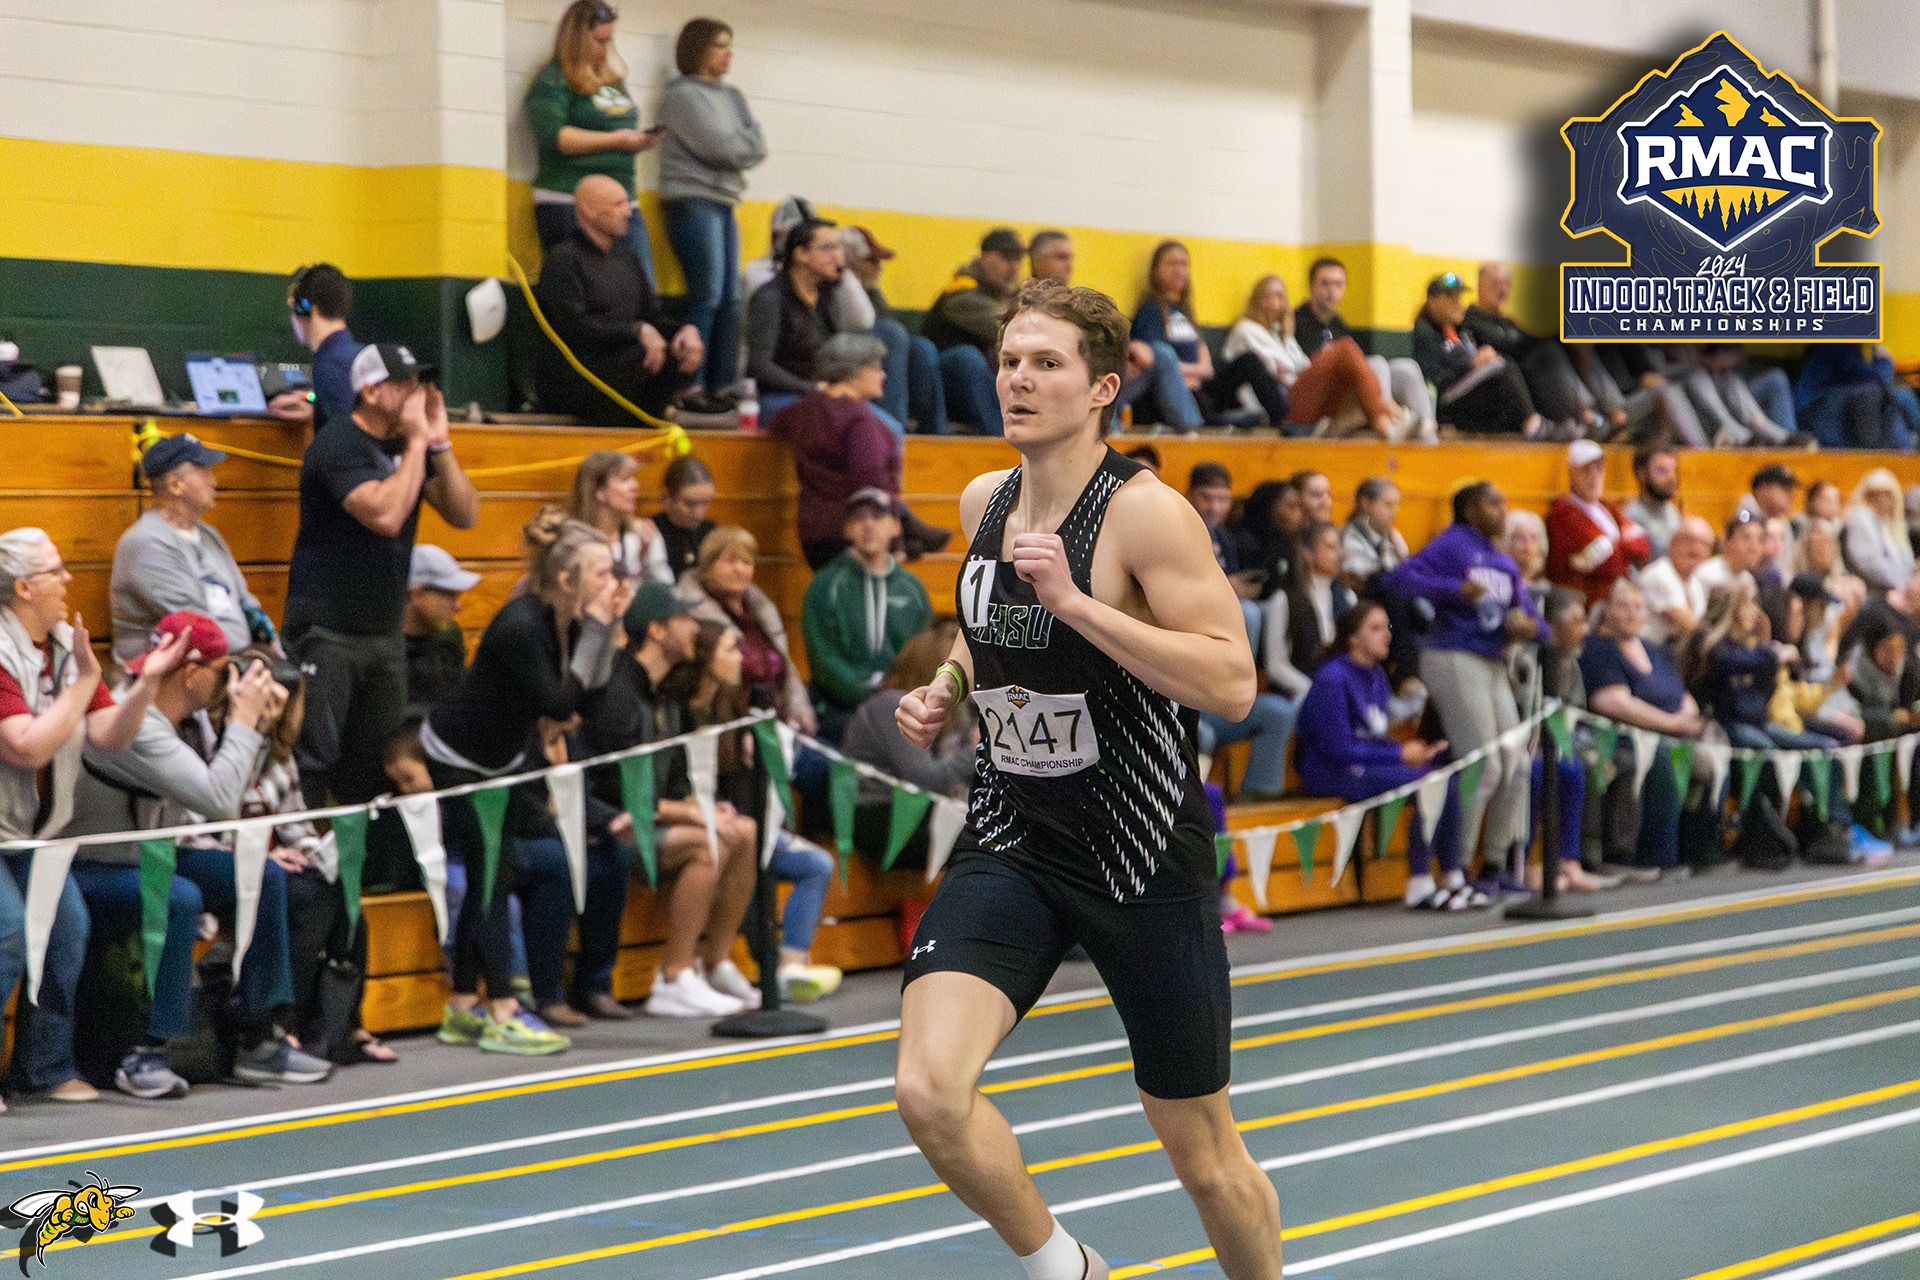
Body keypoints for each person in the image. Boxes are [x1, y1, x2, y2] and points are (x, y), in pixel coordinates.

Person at [892, 280, 1281, 1278]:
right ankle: (1064, 1265)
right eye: (1010, 359)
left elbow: (1233, 682)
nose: (1018, 378)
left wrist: (1078, 603)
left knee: (1202, 1154)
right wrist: (946, 682)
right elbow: (995, 637)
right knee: (930, 1088)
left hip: (1138, 845)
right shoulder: (984, 500)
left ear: (1102, 386)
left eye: (1046, 363)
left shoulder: (1147, 516)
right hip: (1014, 832)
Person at [68, 612, 334, 1095]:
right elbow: (219, 801)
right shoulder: (140, 724)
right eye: (222, 669)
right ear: (192, 672)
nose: (229, 680)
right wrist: (245, 722)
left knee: (258, 875)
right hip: (93, 864)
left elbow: (218, 807)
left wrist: (252, 727)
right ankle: (145, 1050)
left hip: (153, 854)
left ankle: (257, 1035)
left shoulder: (187, 721)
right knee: (179, 897)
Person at [423, 522, 625, 1052]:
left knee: (499, 868)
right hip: (458, 756)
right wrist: (601, 632)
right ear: (565, 578)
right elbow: (558, 705)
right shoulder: (522, 625)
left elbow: (590, 705)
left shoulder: (571, 623)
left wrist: (603, 633)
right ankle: (504, 1009)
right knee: (492, 874)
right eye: (602, 571)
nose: (613, 580)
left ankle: (463, 1003)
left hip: (501, 758)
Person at [0, 529, 179, 1108]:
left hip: (38, 834)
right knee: (7, 934)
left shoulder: (62, 643)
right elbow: (25, 747)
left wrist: (146, 683)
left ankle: (45, 1068)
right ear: (24, 587)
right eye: (56, 571)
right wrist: (82, 683)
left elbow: (108, 737)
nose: (69, 579)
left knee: (66, 932)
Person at [284, 344, 477, 808]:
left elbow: (465, 513)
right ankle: (313, 863)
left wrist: (439, 444)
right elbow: (385, 516)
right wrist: (415, 444)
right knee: (316, 757)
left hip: (383, 630)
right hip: (327, 629)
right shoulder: (336, 446)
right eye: (404, 384)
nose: (418, 395)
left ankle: (366, 873)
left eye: (419, 384)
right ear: (370, 390)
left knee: (372, 762)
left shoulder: (407, 446)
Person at [579, 582, 761, 1017]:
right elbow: (613, 793)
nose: (695, 626)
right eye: (685, 619)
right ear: (658, 631)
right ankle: (673, 976)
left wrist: (701, 805)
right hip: (610, 828)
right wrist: (693, 813)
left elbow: (676, 779)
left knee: (745, 830)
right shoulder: (618, 695)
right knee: (707, 843)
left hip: (653, 820)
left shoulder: (665, 693)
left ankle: (713, 962)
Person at [212, 648, 397, 1065]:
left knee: (341, 893)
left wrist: (321, 856)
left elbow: (298, 826)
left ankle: (344, 1025)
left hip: (277, 865)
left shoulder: (279, 756)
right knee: (306, 898)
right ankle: (285, 1024)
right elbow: (201, 829)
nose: (275, 711)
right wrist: (266, 857)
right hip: (232, 866)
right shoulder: (215, 749)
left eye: (283, 703)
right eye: (269, 700)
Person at [1382, 482, 1547, 884]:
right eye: (1493, 502)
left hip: (1492, 660)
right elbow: (1397, 581)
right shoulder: (1452, 544)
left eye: (1503, 500)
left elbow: (1531, 618)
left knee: (1519, 763)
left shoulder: (1504, 562)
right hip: (1452, 653)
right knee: (1483, 763)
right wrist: (1454, 589)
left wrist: (1531, 627)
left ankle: (1495, 862)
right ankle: (1457, 867)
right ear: (1470, 508)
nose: (1502, 508)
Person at [671, 618, 842, 1002]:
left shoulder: (739, 711)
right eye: (731, 649)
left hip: (748, 821)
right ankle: (742, 963)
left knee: (815, 863)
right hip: (708, 819)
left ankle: (790, 966)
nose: (742, 658)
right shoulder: (684, 714)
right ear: (706, 658)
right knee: (744, 848)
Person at [1296, 601, 1483, 909]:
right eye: (1375, 628)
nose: (1387, 636)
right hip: (1329, 770)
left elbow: (1374, 735)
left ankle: (1453, 875)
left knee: (1444, 778)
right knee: (1428, 785)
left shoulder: (1376, 675)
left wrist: (1416, 753)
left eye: (1387, 628)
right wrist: (1399, 754)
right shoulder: (1333, 678)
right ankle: (1419, 881)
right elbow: (1338, 747)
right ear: (1353, 638)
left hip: (1361, 762)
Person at [768, 333, 950, 568]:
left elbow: (776, 425)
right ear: (856, 372)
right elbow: (873, 487)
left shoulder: (803, 410)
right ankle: (912, 529)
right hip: (860, 538)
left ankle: (913, 528)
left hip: (813, 536)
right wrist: (893, 544)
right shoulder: (860, 421)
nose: (883, 375)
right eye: (877, 368)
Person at [657, 17, 764, 406]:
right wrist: (739, 149)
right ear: (698, 50)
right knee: (706, 293)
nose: (728, 54)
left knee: (731, 296)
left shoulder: (732, 96)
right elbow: (721, 146)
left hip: (723, 201)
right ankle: (691, 381)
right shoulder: (682, 95)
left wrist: (738, 148)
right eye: (720, 45)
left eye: (730, 46)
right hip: (692, 200)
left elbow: (758, 143)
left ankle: (723, 382)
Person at [536, 175, 704, 423]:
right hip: (583, 372)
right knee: (636, 358)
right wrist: (636, 331)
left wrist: (685, 330)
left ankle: (658, 413)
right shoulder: (564, 259)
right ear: (589, 210)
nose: (628, 212)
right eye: (618, 204)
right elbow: (574, 327)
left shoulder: (628, 260)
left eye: (627, 203)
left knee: (683, 352)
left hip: (630, 360)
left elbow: (653, 315)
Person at [524, 0, 660, 284]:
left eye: (609, 41)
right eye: (598, 41)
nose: (605, 48)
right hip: (569, 199)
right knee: (591, 288)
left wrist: (639, 140)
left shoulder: (612, 82)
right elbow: (554, 136)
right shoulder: (553, 81)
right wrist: (616, 140)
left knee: (641, 286)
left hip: (624, 200)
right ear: (577, 39)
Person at [1578, 580, 1703, 880]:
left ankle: (1701, 849)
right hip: (1617, 735)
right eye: (1624, 606)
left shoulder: (1654, 650)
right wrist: (1673, 724)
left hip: (1667, 731)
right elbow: (1614, 703)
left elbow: (1681, 694)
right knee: (1662, 757)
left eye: (1639, 606)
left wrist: (1688, 717)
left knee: (1711, 756)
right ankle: (1649, 854)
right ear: (1606, 610)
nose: (1633, 613)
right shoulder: (1598, 649)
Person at [112, 435, 271, 668]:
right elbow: (195, 629)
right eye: (204, 473)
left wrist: (270, 645)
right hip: (163, 673)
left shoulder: (209, 535)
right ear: (175, 485)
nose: (213, 482)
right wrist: (253, 655)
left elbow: (246, 602)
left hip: (223, 659)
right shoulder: (145, 543)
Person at [745, 216, 904, 429]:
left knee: (891, 430)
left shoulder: (828, 294)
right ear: (801, 254)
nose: (837, 257)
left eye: (838, 249)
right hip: (784, 395)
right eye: (828, 249)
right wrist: (812, 388)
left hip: (827, 393)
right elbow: (759, 366)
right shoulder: (770, 298)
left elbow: (863, 322)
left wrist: (846, 279)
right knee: (856, 429)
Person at [843, 620, 978, 868]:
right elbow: (923, 780)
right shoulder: (892, 705)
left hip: (912, 812)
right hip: (879, 816)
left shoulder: (958, 711)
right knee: (982, 842)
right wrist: (977, 750)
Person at [803, 489, 933, 741]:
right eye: (858, 518)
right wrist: (870, 698)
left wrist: (900, 698)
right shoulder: (824, 586)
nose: (868, 525)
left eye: (877, 516)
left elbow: (923, 654)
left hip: (904, 710)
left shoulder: (913, 590)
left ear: (896, 526)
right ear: (846, 529)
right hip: (840, 714)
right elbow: (824, 659)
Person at [1223, 276, 1419, 440]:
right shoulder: (1245, 329)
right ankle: (1388, 424)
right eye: (1267, 297)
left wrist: (1299, 367)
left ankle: (1398, 421)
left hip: (1298, 393)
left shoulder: (1282, 334)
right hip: (1279, 406)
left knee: (1366, 365)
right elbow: (1273, 372)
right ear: (1255, 300)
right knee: (1344, 349)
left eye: (1280, 297)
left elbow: (1297, 366)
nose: (1275, 303)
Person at [1129, 241, 1286, 430]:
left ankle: (1284, 423)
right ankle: (1216, 424)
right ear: (1155, 270)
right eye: (1171, 264)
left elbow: (1206, 366)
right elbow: (1156, 362)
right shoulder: (1150, 310)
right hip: (1177, 393)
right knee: (1195, 394)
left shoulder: (1184, 311)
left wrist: (1196, 371)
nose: (1179, 270)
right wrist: (1189, 373)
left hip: (1201, 387)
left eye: (1183, 264)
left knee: (1249, 361)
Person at [677, 526, 815, 732]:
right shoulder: (696, 621)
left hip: (777, 726)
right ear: (707, 566)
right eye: (730, 561)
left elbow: (786, 665)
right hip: (727, 730)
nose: (740, 569)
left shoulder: (761, 612)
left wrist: (799, 707)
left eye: (747, 561)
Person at [1463, 261, 1602, 435]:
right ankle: (1586, 416)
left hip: (1525, 377)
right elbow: (1509, 345)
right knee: (1548, 351)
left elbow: (1524, 342)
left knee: (1569, 347)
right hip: (1500, 382)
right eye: (1496, 282)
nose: (1502, 289)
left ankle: (1587, 416)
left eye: (1506, 283)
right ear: (1480, 284)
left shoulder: (1508, 321)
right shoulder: (1470, 319)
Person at [1293, 256, 1431, 424]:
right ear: (1311, 286)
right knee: (1377, 364)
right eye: (1325, 284)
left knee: (1406, 368)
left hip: (1349, 385)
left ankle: (1428, 431)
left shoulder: (1337, 323)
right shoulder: (1298, 321)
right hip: (1319, 391)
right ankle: (1387, 421)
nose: (1332, 292)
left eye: (1338, 285)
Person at [842, 223, 947, 434]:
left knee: (922, 348)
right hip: (847, 355)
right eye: (871, 261)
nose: (879, 268)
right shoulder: (838, 287)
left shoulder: (873, 293)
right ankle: (892, 429)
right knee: (892, 334)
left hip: (872, 352)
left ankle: (935, 435)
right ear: (850, 263)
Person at [922, 228, 1026, 434]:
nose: (1013, 266)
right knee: (967, 357)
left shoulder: (1007, 295)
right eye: (1006, 258)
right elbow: (1006, 329)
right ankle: (998, 436)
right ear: (985, 258)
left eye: (1018, 259)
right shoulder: (961, 292)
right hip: (946, 383)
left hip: (983, 382)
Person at [1413, 273, 1541, 437]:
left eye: (1459, 298)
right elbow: (1434, 378)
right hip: (1446, 398)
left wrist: (1483, 355)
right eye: (1452, 298)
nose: (1458, 303)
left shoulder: (1459, 330)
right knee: (1503, 366)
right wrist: (1471, 363)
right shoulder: (1426, 331)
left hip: (1465, 389)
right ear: (1433, 299)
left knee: (1509, 366)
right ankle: (1533, 424)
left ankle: (1537, 422)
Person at [1546, 440, 1650, 608]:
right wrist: (1623, 545)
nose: (1594, 476)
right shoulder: (1564, 514)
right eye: (1586, 470)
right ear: (1572, 473)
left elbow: (1642, 546)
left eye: (1599, 468)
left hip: (1617, 597)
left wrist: (1609, 545)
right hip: (1588, 602)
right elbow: (1610, 565)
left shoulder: (1607, 507)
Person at [1262, 521, 1354, 700]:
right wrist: (1315, 691)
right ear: (1307, 553)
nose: (1340, 553)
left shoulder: (1348, 598)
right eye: (1330, 547)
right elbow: (1275, 666)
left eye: (1339, 546)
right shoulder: (1283, 599)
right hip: (1297, 695)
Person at [567, 449, 669, 584]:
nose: (635, 486)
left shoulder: (642, 533)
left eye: (634, 478)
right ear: (599, 490)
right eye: (625, 479)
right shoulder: (571, 541)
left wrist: (644, 559)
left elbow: (665, 591)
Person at [1187, 462, 1262, 646]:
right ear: (1189, 496)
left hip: (1221, 603)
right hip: (1192, 607)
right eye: (1207, 498)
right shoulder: (1181, 529)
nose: (1215, 507)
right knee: (1249, 613)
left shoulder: (1223, 535)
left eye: (1222, 499)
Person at [1794, 343, 1919, 450]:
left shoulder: (1844, 351)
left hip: (1838, 421)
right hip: (1817, 422)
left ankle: (1906, 449)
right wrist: (1884, 361)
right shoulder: (1835, 348)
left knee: (1900, 396)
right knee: (1898, 396)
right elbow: (1877, 384)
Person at [402, 544, 477, 713]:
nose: (457, 606)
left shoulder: (449, 636)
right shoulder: (382, 648)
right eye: (450, 595)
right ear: (417, 594)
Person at [285, 264, 360, 427]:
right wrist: (315, 403)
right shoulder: (356, 355)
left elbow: (347, 437)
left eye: (294, 306)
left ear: (303, 308)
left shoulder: (329, 366)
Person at [1637, 515, 1715, 647]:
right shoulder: (1659, 573)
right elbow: (1690, 626)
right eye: (1688, 540)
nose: (1696, 549)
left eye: (1704, 544)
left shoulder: (1695, 581)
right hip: (1648, 652)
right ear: (1672, 543)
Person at [1842, 468, 1915, 595]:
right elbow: (1869, 563)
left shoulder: (1892, 524)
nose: (1882, 499)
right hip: (1874, 593)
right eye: (1875, 494)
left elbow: (1907, 562)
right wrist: (1900, 587)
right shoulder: (1860, 518)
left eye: (1887, 494)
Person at [654, 455, 718, 581]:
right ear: (667, 498)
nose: (699, 513)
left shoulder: (713, 533)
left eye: (705, 502)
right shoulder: (652, 531)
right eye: (690, 504)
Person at [1340, 478, 1408, 588]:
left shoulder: (1391, 535)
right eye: (1388, 504)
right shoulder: (1349, 538)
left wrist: (1401, 553)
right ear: (1365, 503)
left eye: (1396, 506)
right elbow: (1362, 583)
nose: (1394, 511)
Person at [1738, 464, 1800, 584]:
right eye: (1785, 489)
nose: (1791, 496)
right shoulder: (1744, 515)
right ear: (1763, 488)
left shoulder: (1783, 523)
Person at [1623, 445, 1682, 560]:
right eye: (1662, 471)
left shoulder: (1671, 510)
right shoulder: (1631, 516)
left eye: (1674, 470)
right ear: (1642, 474)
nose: (1671, 478)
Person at [1693, 507, 1767, 596]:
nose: (1754, 546)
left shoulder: (1747, 581)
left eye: (1760, 539)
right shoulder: (1708, 576)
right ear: (1727, 541)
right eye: (1746, 537)